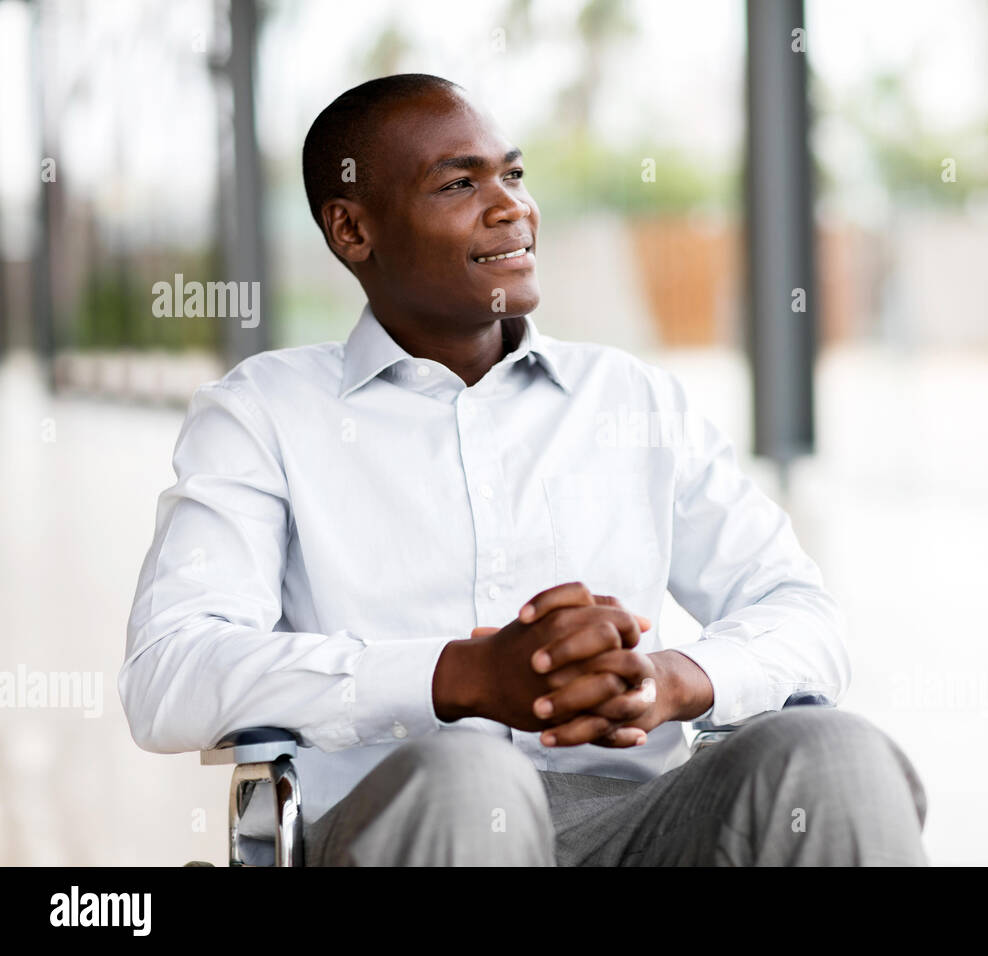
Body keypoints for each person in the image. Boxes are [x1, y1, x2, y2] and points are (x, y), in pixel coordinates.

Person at [119, 74, 927, 866]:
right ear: (352, 230)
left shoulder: (629, 396)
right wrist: (456, 676)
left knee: (833, 752)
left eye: (512, 173)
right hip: (408, 823)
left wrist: (673, 679)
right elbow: (171, 673)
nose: (511, 207)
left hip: (632, 818)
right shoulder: (263, 412)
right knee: (473, 778)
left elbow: (804, 614)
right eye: (458, 183)